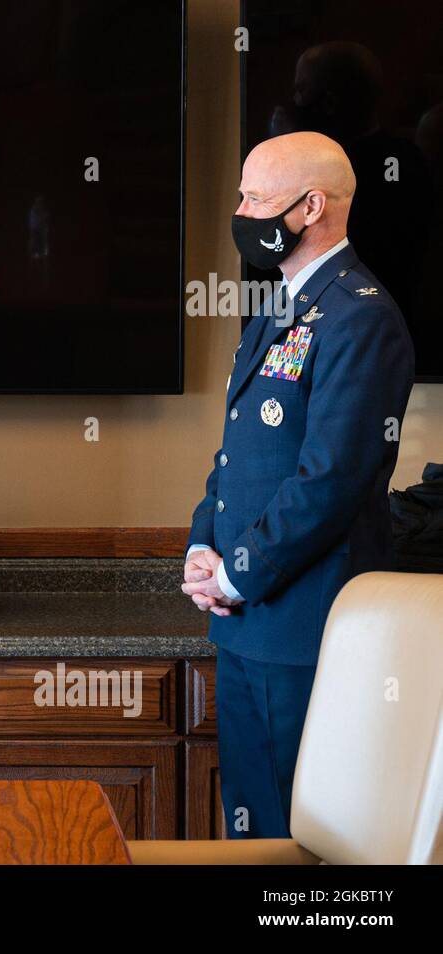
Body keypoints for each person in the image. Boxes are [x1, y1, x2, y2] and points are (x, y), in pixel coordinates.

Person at [181, 131, 414, 839]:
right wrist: (201, 548)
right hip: (244, 627)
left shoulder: (361, 315)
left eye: (257, 198)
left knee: (295, 842)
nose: (243, 212)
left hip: (302, 629)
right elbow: (238, 460)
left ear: (312, 207)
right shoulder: (279, 307)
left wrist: (238, 575)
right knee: (252, 832)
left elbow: (331, 480)